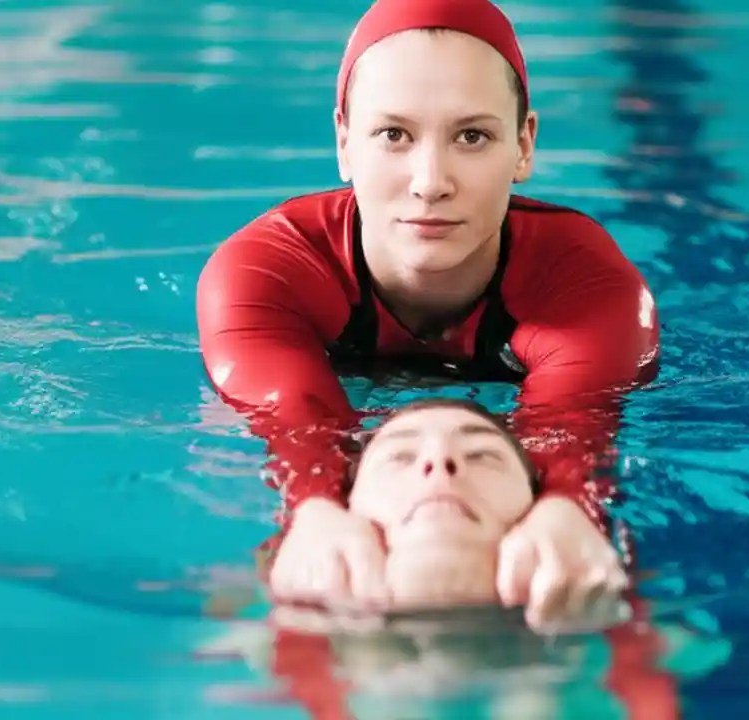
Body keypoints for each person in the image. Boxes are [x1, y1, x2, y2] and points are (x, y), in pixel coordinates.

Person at [196, 0, 660, 621]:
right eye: (394, 135)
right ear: (344, 141)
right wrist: (311, 509)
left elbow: (575, 431)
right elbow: (295, 430)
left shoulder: (588, 287)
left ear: (524, 145)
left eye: (472, 136)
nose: (430, 181)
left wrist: (570, 507)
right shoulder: (266, 274)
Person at [199, 398, 700, 720]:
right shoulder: (233, 660)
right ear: (345, 513)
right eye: (399, 456)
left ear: (538, 511)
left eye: (484, 455)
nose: (439, 463)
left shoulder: (671, 650)